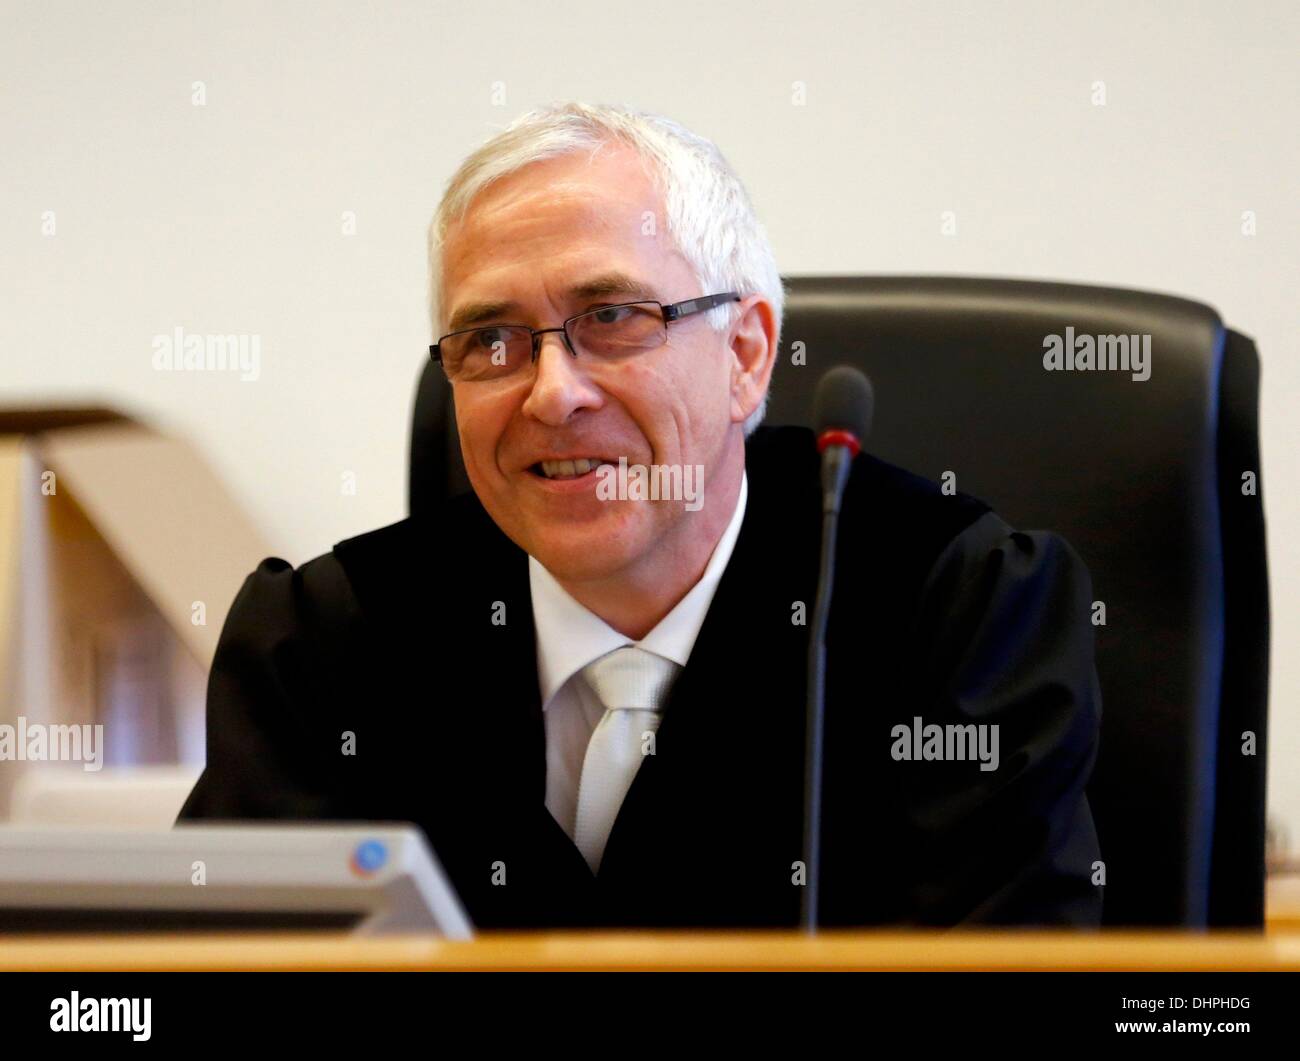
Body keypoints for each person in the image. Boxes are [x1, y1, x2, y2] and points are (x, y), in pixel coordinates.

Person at [178, 101, 1103, 929]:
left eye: (613, 317)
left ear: (744, 356)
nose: (552, 394)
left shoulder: (953, 608)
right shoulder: (329, 642)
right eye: (490, 341)